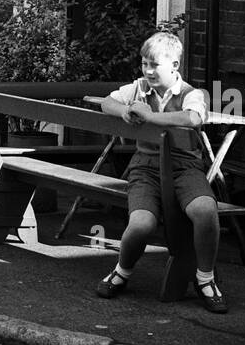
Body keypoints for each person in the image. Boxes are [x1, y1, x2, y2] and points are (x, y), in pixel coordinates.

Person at [94, 31, 228, 313]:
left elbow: (192, 118)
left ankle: (205, 278)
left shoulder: (193, 94)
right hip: (146, 167)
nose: (148, 70)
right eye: (144, 64)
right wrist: (125, 110)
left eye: (154, 64)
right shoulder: (139, 88)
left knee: (205, 210)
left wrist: (150, 117)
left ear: (175, 66)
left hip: (185, 167)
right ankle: (121, 271)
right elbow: (107, 101)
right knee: (141, 224)